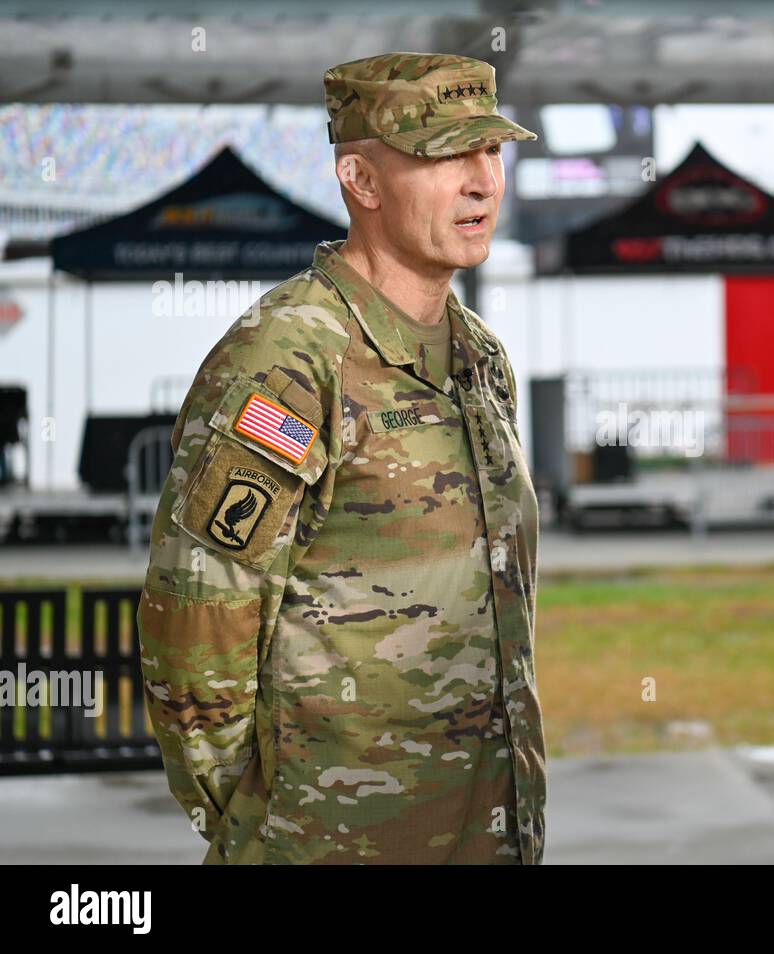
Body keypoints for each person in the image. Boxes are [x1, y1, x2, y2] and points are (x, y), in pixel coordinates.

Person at [136, 52, 545, 864]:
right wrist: (261, 828)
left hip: (489, 833)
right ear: (360, 180)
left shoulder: (479, 356)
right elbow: (197, 621)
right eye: (444, 155)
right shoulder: (287, 361)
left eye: (491, 152)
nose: (482, 182)